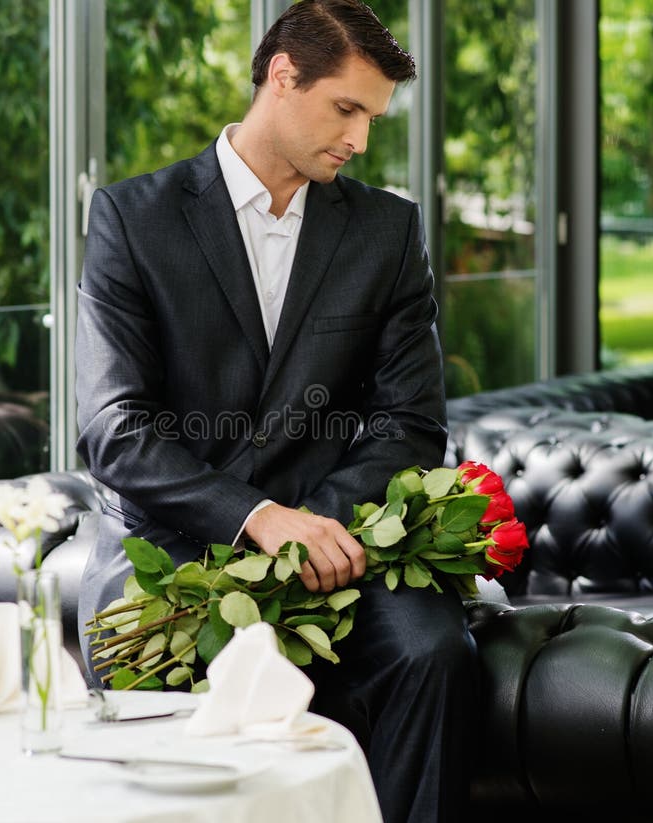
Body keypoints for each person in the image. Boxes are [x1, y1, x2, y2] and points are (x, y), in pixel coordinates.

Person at [75, 1, 478, 820]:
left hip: (338, 544)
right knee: (148, 663)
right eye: (347, 109)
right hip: (173, 542)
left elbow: (411, 422)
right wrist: (253, 516)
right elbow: (114, 426)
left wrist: (312, 530)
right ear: (284, 79)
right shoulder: (132, 219)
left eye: (373, 117)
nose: (360, 139)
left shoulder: (389, 232)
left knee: (432, 651)